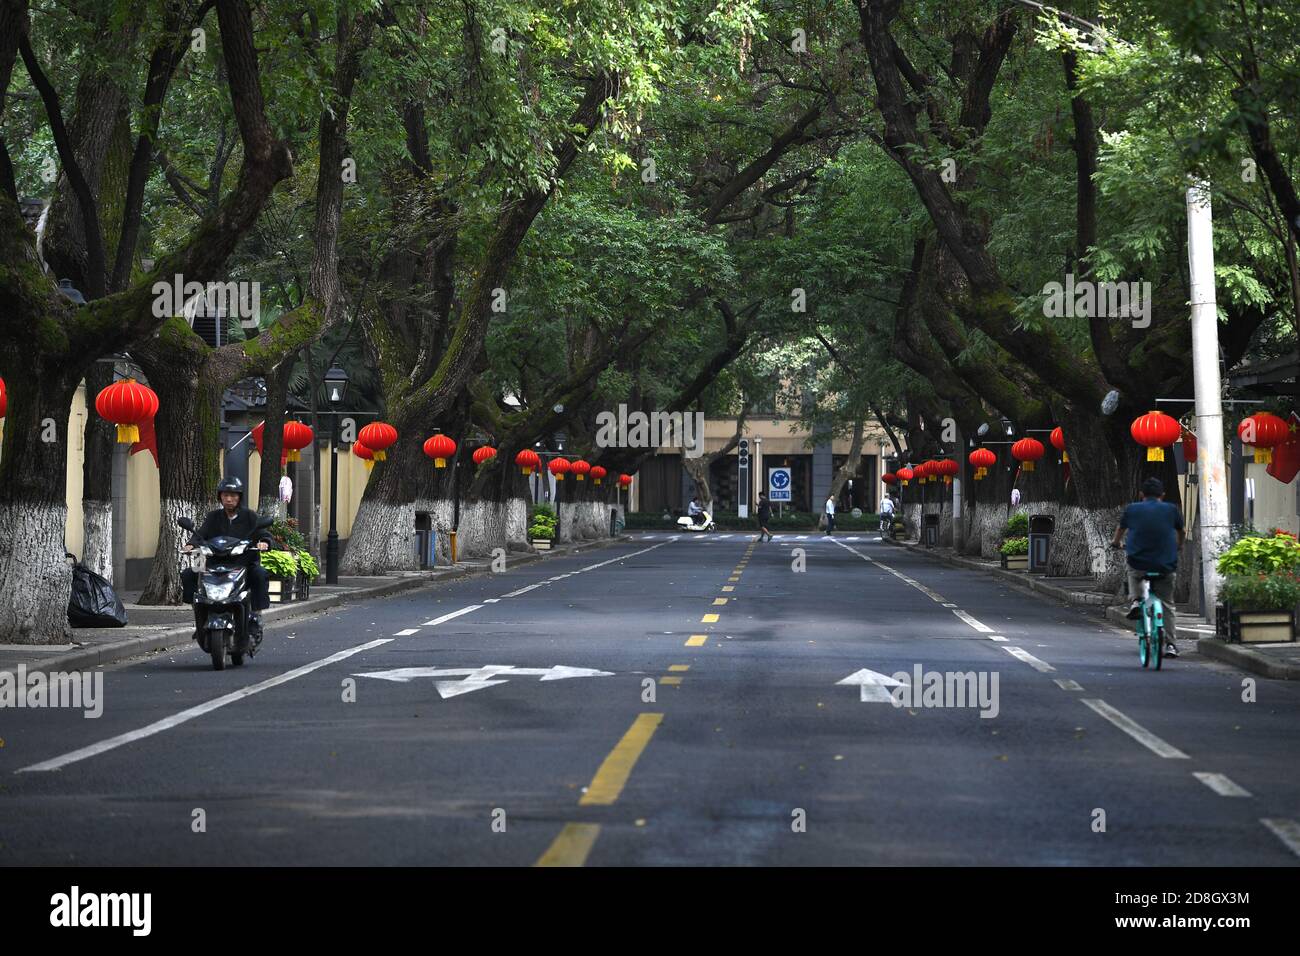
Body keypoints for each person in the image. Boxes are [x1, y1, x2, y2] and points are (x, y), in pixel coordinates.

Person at [182, 476, 272, 637]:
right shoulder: (213, 516)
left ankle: (256, 617)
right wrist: (191, 544)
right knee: (189, 573)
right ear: (220, 497)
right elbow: (200, 535)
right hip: (214, 562)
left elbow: (263, 534)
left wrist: (264, 542)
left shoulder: (249, 516)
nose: (229, 499)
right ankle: (199, 615)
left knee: (260, 574)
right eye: (225, 495)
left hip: (242, 562)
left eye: (233, 495)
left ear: (239, 497)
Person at [1110, 476, 1185, 657]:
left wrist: (1116, 543)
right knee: (1167, 604)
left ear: (1141, 494)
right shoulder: (1171, 509)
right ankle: (1171, 645)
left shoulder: (1132, 509)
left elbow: (1120, 530)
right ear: (1163, 495)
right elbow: (1181, 531)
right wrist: (1179, 546)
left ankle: (1136, 601)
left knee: (1134, 571)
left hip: (1139, 562)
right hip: (1166, 564)